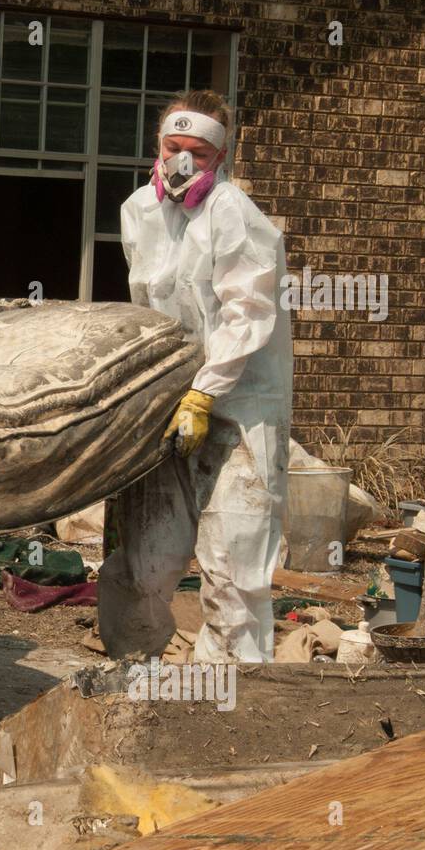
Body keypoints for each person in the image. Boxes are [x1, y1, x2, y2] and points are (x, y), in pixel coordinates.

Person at [96, 89, 292, 664]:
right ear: (157, 147)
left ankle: (229, 709)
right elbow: (146, 307)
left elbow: (248, 313)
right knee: (144, 561)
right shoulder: (138, 212)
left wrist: (205, 393)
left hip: (242, 408)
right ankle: (133, 679)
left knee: (234, 570)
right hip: (167, 401)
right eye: (172, 147)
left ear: (222, 157)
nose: (182, 162)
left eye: (198, 154)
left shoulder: (236, 217)